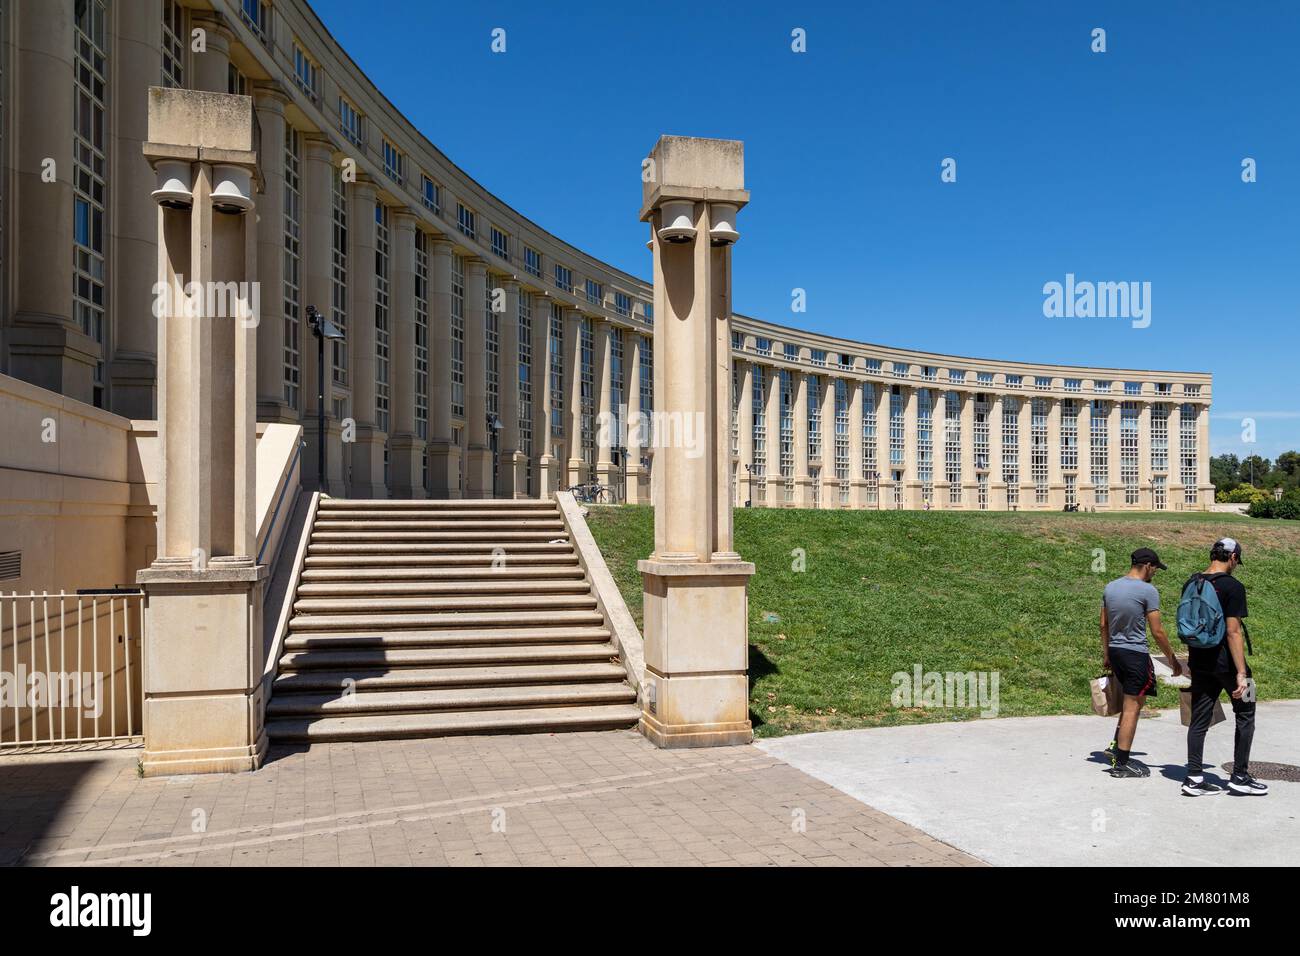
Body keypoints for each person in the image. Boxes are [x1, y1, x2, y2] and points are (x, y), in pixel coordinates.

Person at [1180, 538, 1267, 797]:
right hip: (1229, 665)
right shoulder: (1233, 587)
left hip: (1199, 662)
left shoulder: (1192, 582)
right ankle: (1240, 775)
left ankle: (1194, 777)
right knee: (1247, 712)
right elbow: (1233, 632)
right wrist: (1241, 673)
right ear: (1232, 558)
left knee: (1199, 718)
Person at [1100, 547, 1183, 777]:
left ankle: (1116, 745)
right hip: (1135, 654)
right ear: (1147, 566)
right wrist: (1172, 659)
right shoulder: (1148, 591)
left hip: (1116, 652)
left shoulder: (1111, 587)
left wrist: (1107, 653)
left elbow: (1104, 624)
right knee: (1133, 707)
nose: (1155, 572)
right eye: (1155, 568)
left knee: (1134, 703)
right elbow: (1157, 631)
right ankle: (1122, 763)